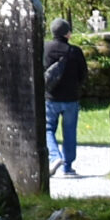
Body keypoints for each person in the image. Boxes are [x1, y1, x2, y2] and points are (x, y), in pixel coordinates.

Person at [43, 17, 85, 176]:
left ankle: (54, 157)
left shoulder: (45, 49)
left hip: (50, 97)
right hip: (71, 98)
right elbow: (83, 74)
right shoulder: (75, 51)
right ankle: (67, 166)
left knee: (47, 129)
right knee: (69, 132)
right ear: (67, 33)